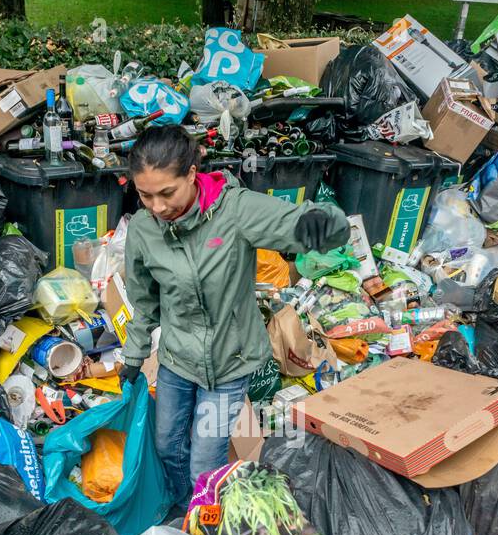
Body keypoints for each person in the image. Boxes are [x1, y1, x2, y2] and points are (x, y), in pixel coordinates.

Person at [119, 124, 349, 503]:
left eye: (167, 193)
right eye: (145, 196)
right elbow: (144, 301)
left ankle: (207, 528)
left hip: (230, 362)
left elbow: (290, 222)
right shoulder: (144, 229)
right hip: (177, 359)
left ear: (191, 175)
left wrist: (324, 226)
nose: (157, 207)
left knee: (205, 464)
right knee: (166, 447)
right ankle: (184, 512)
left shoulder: (234, 211)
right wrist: (134, 353)